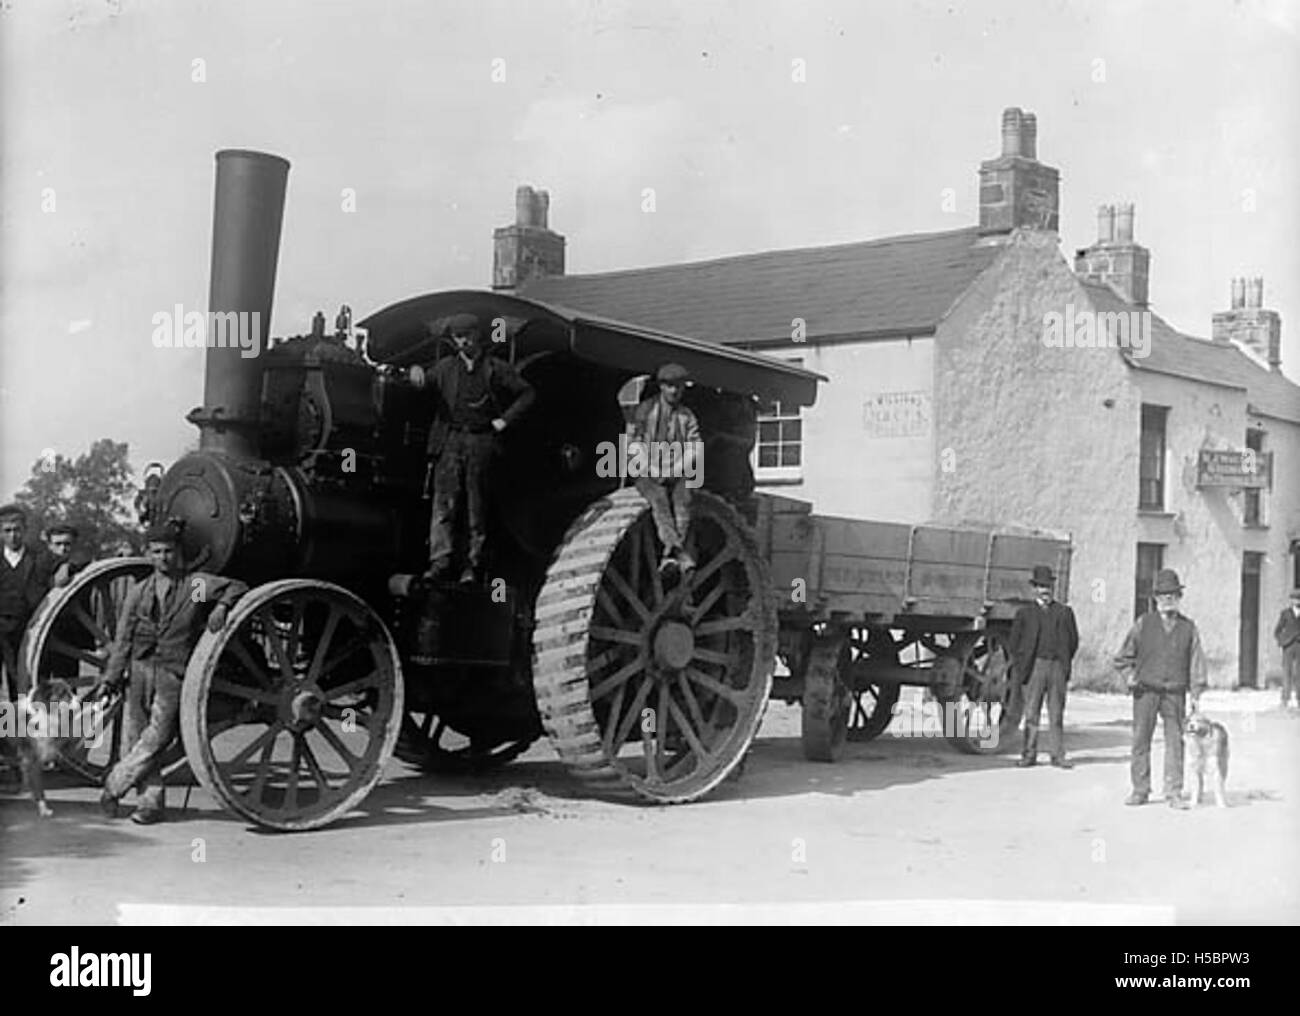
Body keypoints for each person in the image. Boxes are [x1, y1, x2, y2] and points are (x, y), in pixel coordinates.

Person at [98, 521, 248, 824]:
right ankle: (150, 805)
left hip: (173, 671)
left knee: (158, 736)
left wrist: (221, 607)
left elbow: (237, 587)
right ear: (148, 553)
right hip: (139, 669)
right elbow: (124, 638)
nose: (163, 558)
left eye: (168, 552)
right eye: (157, 552)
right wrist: (111, 677)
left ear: (177, 553)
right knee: (139, 735)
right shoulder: (139, 592)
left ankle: (114, 784)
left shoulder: (193, 587)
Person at [413, 312, 535, 585]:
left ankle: (473, 564)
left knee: (475, 506)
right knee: (443, 504)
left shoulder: (495, 367)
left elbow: (527, 393)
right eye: (457, 337)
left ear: (477, 336)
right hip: (450, 439)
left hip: (481, 440)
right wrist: (416, 375)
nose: (462, 342)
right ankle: (440, 562)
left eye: (466, 336)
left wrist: (505, 420)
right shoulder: (444, 368)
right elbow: (423, 383)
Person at [1113, 568, 1208, 808]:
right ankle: (1140, 790)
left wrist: (1196, 694)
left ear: (1179, 598)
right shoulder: (1143, 624)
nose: (1168, 599)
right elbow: (1122, 658)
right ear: (1155, 598)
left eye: (1173, 594)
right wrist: (1130, 677)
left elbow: (1197, 663)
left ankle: (1174, 792)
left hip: (1175, 693)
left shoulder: (1189, 628)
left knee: (1175, 742)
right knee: (1140, 740)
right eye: (1163, 595)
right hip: (1145, 691)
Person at [630, 363, 702, 573]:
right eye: (670, 386)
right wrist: (650, 469)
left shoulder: (686, 416)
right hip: (646, 471)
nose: (674, 391)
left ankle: (671, 554)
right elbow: (634, 443)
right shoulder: (646, 410)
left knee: (684, 500)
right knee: (659, 498)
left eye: (678, 387)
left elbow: (694, 446)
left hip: (674, 470)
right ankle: (676, 552)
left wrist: (676, 469)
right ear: (661, 387)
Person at [1009, 564, 1079, 768]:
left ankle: (1057, 755)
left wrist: (1063, 663)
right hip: (1035, 667)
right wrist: (1025, 663)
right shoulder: (1025, 613)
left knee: (1056, 714)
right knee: (1031, 713)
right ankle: (1029, 754)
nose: (1045, 590)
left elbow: (1073, 641)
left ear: (1053, 588)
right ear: (1034, 589)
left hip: (1057, 667)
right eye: (1040, 586)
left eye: (1048, 586)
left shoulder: (1064, 612)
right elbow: (1015, 643)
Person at [0, 504, 55, 703]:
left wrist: (65, 567)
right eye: (7, 530)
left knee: (21, 686)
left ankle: (19, 730)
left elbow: (65, 562)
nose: (13, 535)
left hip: (27, 632)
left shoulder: (40, 558)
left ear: (25, 530)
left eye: (17, 530)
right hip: (1, 631)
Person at [1274, 587, 1300, 710]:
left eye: (1298, 599)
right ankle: (1285, 699)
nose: (1297, 601)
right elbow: (1277, 630)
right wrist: (1282, 641)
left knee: (1299, 674)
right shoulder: (1285, 613)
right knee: (1286, 673)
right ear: (1291, 600)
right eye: (1294, 599)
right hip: (1288, 646)